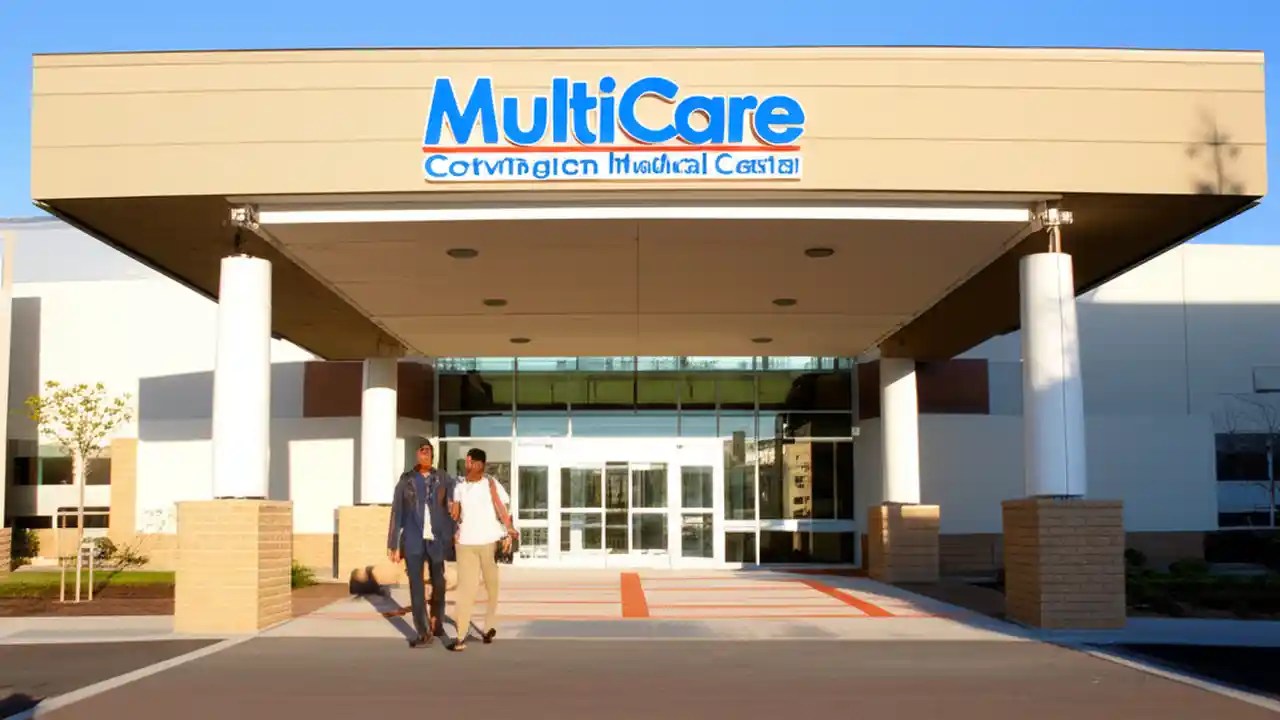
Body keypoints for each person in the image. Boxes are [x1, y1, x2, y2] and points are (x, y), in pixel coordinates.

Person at [386, 441, 457, 648]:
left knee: (439, 584)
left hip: (437, 538)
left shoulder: (443, 478)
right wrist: (393, 544)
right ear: (417, 455)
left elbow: (453, 506)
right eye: (423, 451)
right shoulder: (406, 480)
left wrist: (454, 533)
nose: (426, 455)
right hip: (413, 539)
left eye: (430, 452)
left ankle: (437, 623)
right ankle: (423, 631)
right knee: (416, 586)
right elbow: (396, 512)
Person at [449, 447, 517, 652]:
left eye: (470, 462)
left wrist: (508, 533)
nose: (466, 465)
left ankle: (488, 628)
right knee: (465, 591)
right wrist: (452, 516)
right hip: (466, 545)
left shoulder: (491, 484)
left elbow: (504, 509)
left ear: (479, 465)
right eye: (466, 462)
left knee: (492, 587)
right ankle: (460, 636)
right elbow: (455, 514)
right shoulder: (459, 486)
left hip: (489, 542)